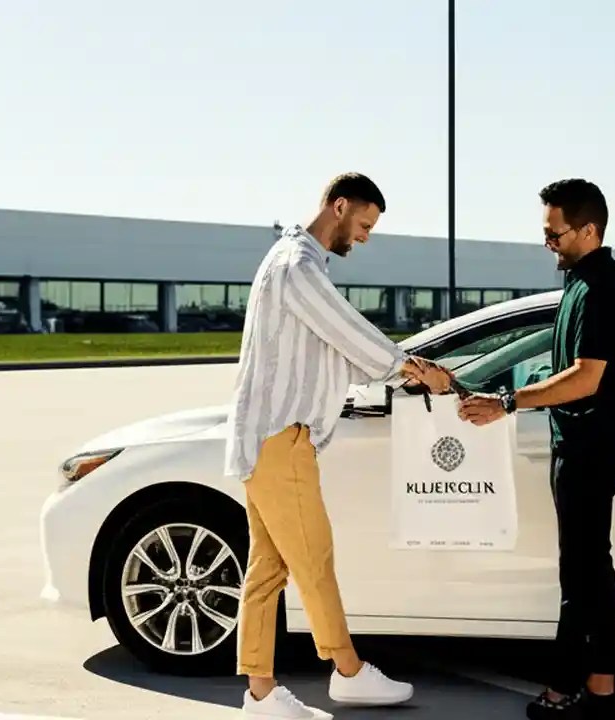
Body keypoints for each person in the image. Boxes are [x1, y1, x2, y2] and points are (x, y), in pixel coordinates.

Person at [225, 172, 453, 719]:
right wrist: (414, 370)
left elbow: (336, 350)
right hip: (281, 437)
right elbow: (348, 331)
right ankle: (348, 672)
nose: (367, 236)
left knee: (268, 568)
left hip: (269, 436)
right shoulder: (296, 266)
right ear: (340, 205)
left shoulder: (295, 262)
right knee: (314, 560)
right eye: (365, 224)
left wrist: (400, 373)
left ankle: (260, 695)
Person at [458, 178, 615, 720]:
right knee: (590, 570)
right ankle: (601, 691)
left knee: (582, 575)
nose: (549, 244)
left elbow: (586, 379)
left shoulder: (601, 287)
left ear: (589, 230)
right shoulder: (586, 283)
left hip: (591, 445)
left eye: (554, 234)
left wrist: (506, 401)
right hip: (585, 442)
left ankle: (565, 692)